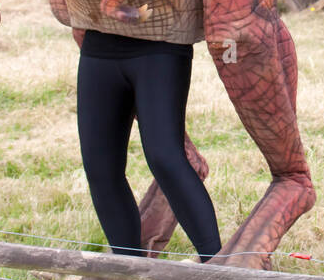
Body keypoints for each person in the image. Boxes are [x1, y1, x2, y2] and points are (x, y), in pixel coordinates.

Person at [75, 28, 222, 264]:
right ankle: (129, 270)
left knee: (165, 158)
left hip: (161, 44)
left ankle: (218, 268)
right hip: (99, 45)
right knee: (99, 167)